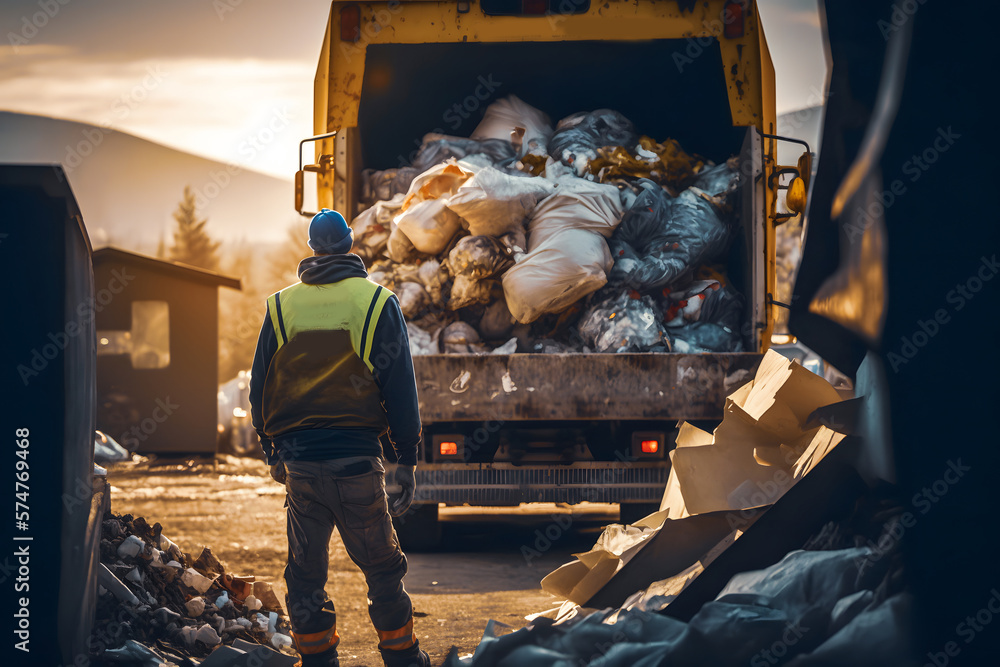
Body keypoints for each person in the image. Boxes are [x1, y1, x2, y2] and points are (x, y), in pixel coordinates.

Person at [249, 209, 429, 667]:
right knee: (383, 571)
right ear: (351, 245)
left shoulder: (281, 306)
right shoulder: (376, 302)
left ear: (312, 249)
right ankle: (403, 658)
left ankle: (318, 660)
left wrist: (272, 449)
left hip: (301, 467)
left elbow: (260, 385)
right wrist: (406, 458)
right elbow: (400, 388)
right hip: (357, 465)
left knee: (305, 578)